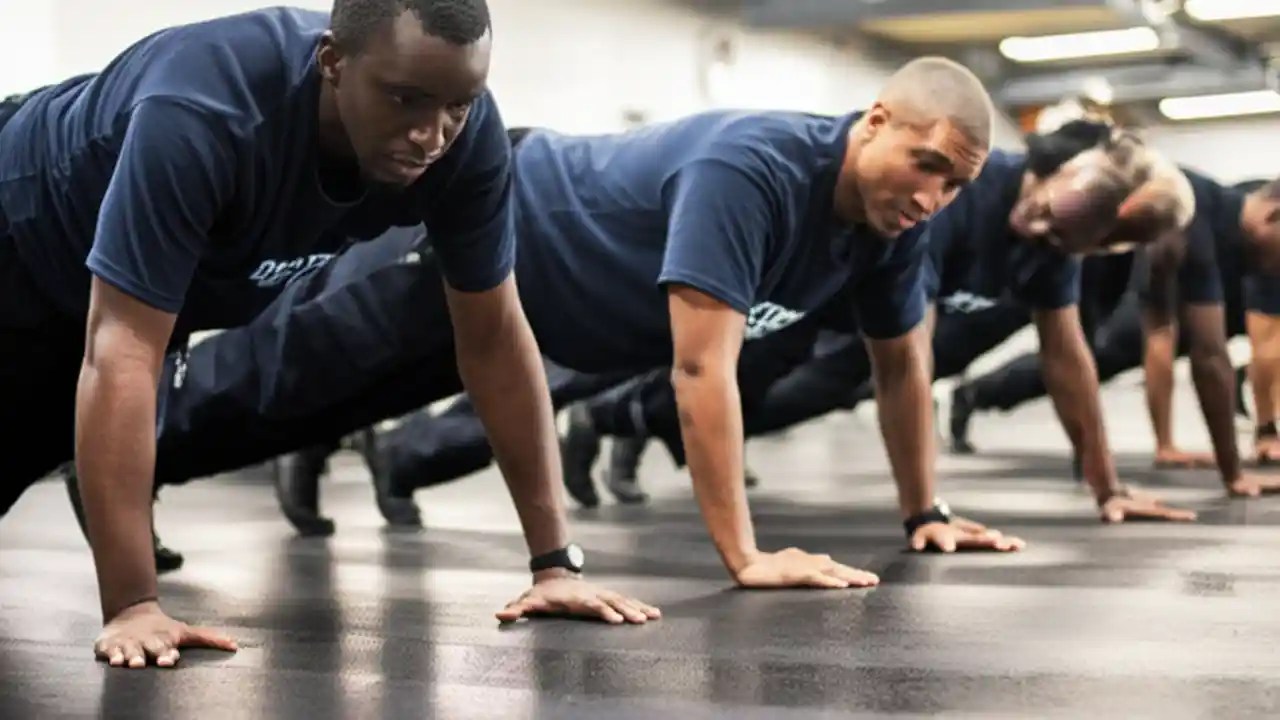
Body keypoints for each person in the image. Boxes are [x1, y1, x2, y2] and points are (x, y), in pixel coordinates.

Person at [82, 57, 1035, 590]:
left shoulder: (892, 225)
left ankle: (131, 474)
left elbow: (902, 369)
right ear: (874, 122)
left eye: (955, 184)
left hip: (548, 323)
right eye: (925, 164)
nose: (934, 196)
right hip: (494, 235)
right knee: (290, 377)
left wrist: (926, 513)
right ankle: (107, 468)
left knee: (329, 406)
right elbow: (701, 373)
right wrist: (745, 557)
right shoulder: (752, 170)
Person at [2, 1, 661, 671]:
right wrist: (134, 606)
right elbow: (123, 347)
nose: (431, 135)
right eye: (404, 99)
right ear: (332, 62)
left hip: (117, 292)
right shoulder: (205, 106)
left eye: (457, 106)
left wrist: (555, 566)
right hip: (19, 231)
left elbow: (494, 340)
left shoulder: (465, 144)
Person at [552, 121, 1203, 522]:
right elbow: (909, 357)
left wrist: (1107, 487)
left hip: (863, 306)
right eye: (1042, 213)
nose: (1036, 231)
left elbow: (1067, 359)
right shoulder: (961, 196)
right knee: (695, 354)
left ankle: (630, 419)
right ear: (1051, 173)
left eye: (1059, 237)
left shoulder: (1057, 248)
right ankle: (602, 414)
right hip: (816, 282)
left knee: (788, 396)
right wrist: (925, 512)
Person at [952, 173, 1280, 491]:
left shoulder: (1245, 230)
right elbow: (1170, 338)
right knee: (1088, 349)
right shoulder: (1195, 223)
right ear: (1272, 216)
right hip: (1106, 257)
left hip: (1137, 260)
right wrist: (1178, 449)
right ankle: (974, 392)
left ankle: (974, 388)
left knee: (1082, 342)